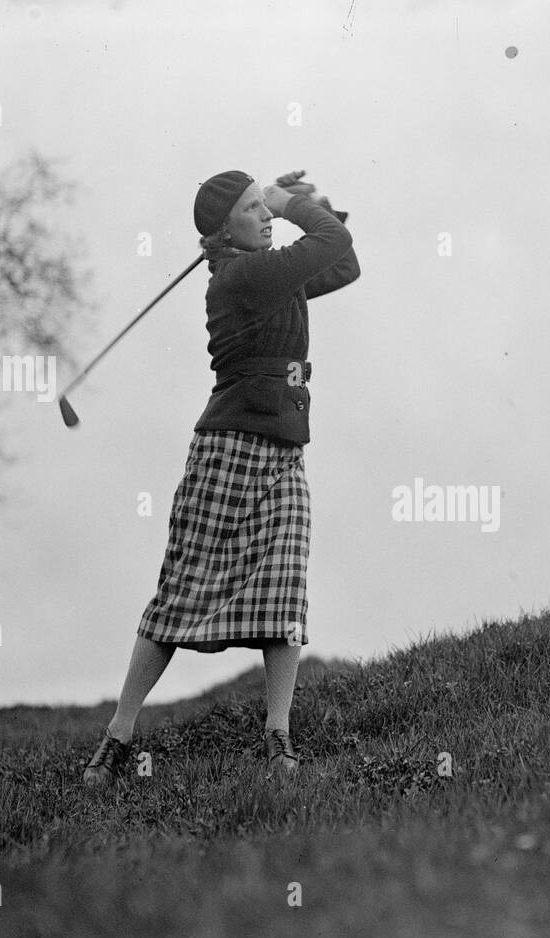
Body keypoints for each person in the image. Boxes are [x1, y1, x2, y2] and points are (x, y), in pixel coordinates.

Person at [83, 168, 359, 786]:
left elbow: (343, 265)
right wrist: (294, 205)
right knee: (179, 595)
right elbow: (330, 245)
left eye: (265, 206)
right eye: (253, 208)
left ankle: (278, 735)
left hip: (284, 448)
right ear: (224, 230)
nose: (265, 215)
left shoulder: (267, 275)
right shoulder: (243, 278)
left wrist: (311, 206)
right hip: (228, 449)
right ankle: (119, 738)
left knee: (284, 586)